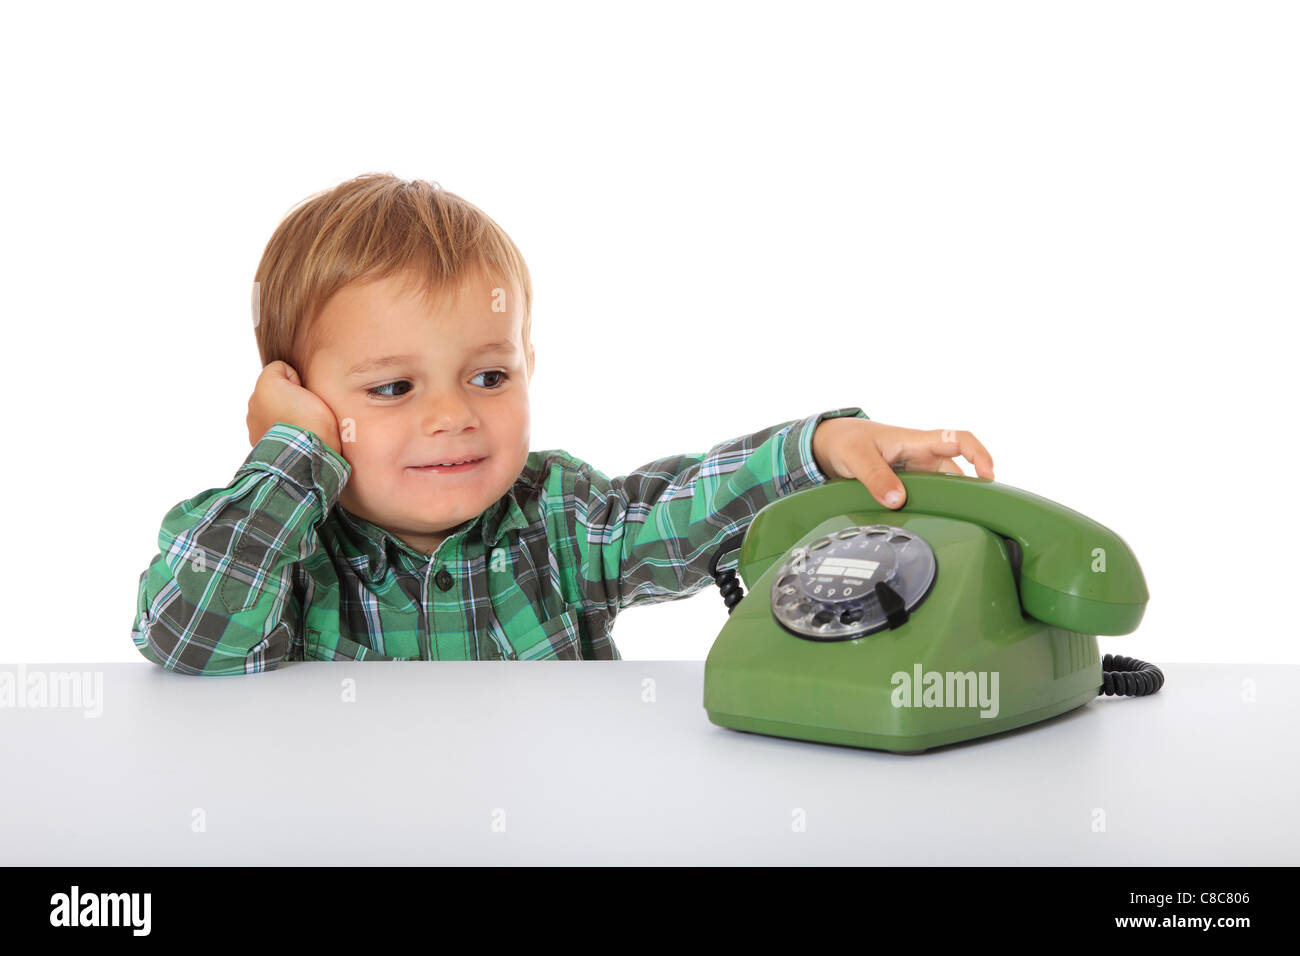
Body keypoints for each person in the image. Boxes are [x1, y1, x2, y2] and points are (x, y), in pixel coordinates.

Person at [131, 173, 994, 673]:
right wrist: (292, 460)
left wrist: (815, 451)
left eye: (489, 375)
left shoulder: (560, 522)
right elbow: (191, 637)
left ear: (527, 370)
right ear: (301, 406)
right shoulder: (279, 547)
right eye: (393, 388)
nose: (453, 416)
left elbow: (686, 510)